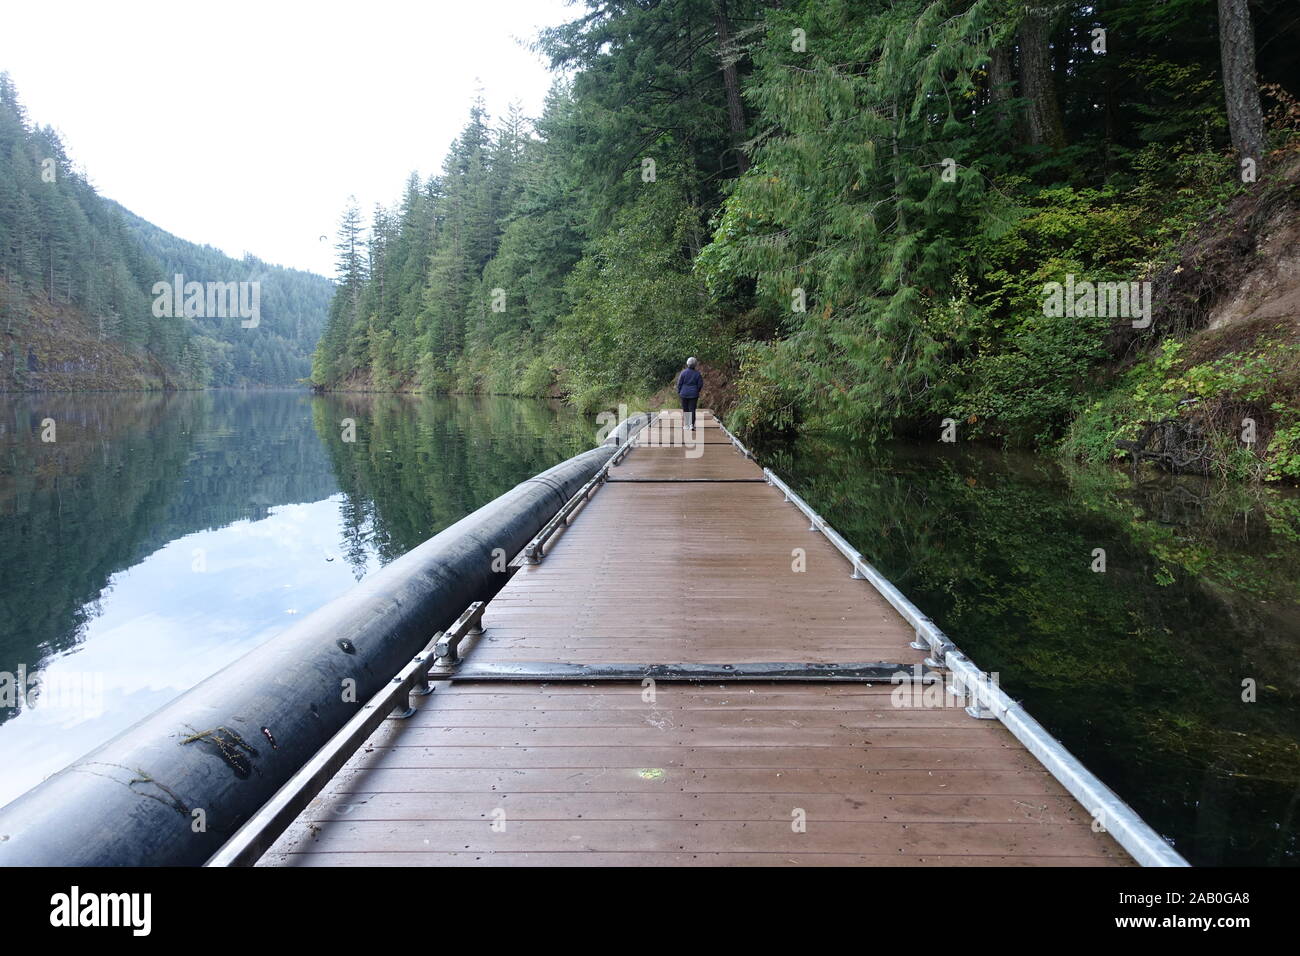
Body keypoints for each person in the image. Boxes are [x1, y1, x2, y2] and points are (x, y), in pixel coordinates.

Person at [676, 357, 703, 430]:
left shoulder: (683, 373)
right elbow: (700, 384)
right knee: (692, 409)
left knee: (686, 409)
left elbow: (679, 383)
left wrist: (679, 391)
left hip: (684, 393)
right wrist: (697, 390)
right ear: (695, 364)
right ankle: (692, 425)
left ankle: (687, 425)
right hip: (693, 394)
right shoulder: (697, 374)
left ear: (687, 363)